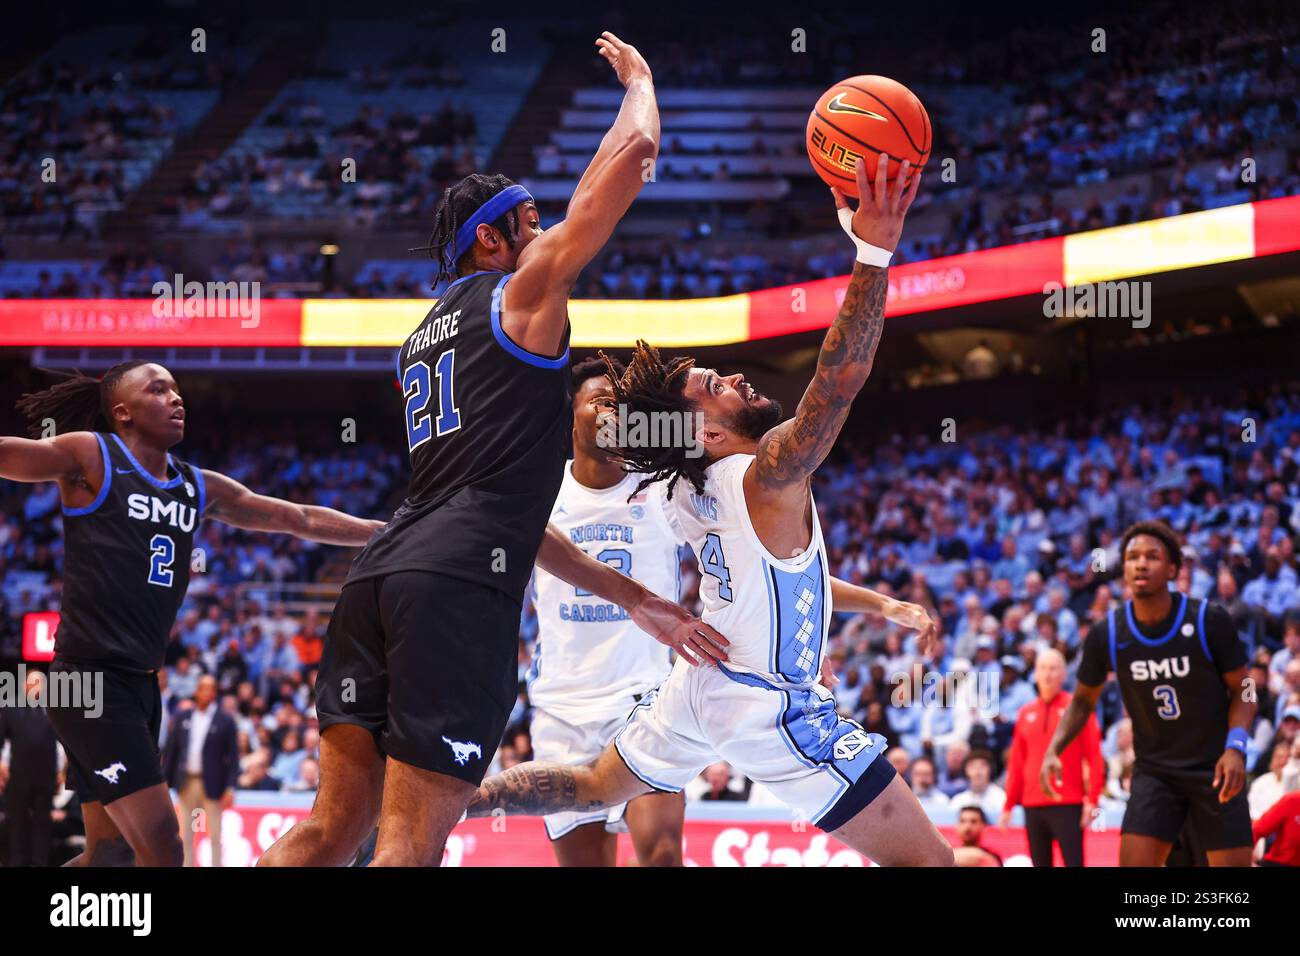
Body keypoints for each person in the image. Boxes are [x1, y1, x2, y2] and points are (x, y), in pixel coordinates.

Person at [262, 34, 735, 868]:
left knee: (328, 831)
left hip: (377, 576)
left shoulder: (418, 338)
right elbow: (633, 156)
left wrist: (635, 598)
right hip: (452, 591)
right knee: (410, 840)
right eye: (530, 222)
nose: (546, 231)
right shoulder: (518, 299)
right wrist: (643, 83)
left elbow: (513, 519)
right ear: (491, 242)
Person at [464, 157, 955, 866]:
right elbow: (838, 382)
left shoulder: (678, 487)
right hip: (767, 703)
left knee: (596, 782)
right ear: (709, 431)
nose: (733, 376)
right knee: (933, 864)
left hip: (695, 689)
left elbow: (784, 581)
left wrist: (879, 606)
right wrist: (873, 254)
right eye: (712, 385)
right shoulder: (766, 475)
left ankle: (453, 800)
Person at [0, 360, 383, 866]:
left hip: (139, 684)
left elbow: (299, 518)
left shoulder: (196, 485)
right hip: (88, 681)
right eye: (158, 390)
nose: (176, 398)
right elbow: (15, 456)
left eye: (177, 390)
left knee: (108, 852)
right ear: (123, 412)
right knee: (164, 846)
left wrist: (386, 532)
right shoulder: (92, 456)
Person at [1041, 520, 1255, 866]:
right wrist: (1055, 748)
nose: (1141, 563)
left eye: (1152, 556)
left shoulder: (1207, 620)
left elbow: (1244, 688)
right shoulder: (1106, 633)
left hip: (1213, 767)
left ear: (1172, 569)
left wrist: (1236, 747)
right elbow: (1082, 700)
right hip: (1156, 772)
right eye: (1132, 557)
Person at [1001, 647, 1104, 866]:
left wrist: (1092, 799)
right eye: (1043, 668)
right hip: (1032, 803)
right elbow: (1017, 762)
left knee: (1074, 863)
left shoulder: (1077, 709)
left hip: (1068, 801)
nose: (1048, 674)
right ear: (1035, 673)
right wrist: (1009, 804)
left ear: (1064, 674)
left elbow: (1094, 756)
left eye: (1053, 668)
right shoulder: (1025, 712)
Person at [161, 675, 240, 866]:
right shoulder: (183, 717)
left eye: (210, 688)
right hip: (187, 782)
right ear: (197, 691)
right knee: (186, 834)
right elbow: (172, 752)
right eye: (203, 687)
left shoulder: (225, 721)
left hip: (213, 784)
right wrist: (163, 782)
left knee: (214, 834)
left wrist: (230, 787)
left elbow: (233, 757)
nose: (206, 692)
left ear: (215, 693)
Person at [0, 669, 59, 865]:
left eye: (39, 683)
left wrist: (63, 771)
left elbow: (64, 743)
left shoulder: (54, 709)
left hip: (47, 774)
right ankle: (17, 862)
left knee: (43, 822)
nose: (35, 686)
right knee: (17, 820)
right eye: (31, 682)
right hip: (18, 775)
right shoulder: (11, 707)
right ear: (24, 685)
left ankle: (40, 862)